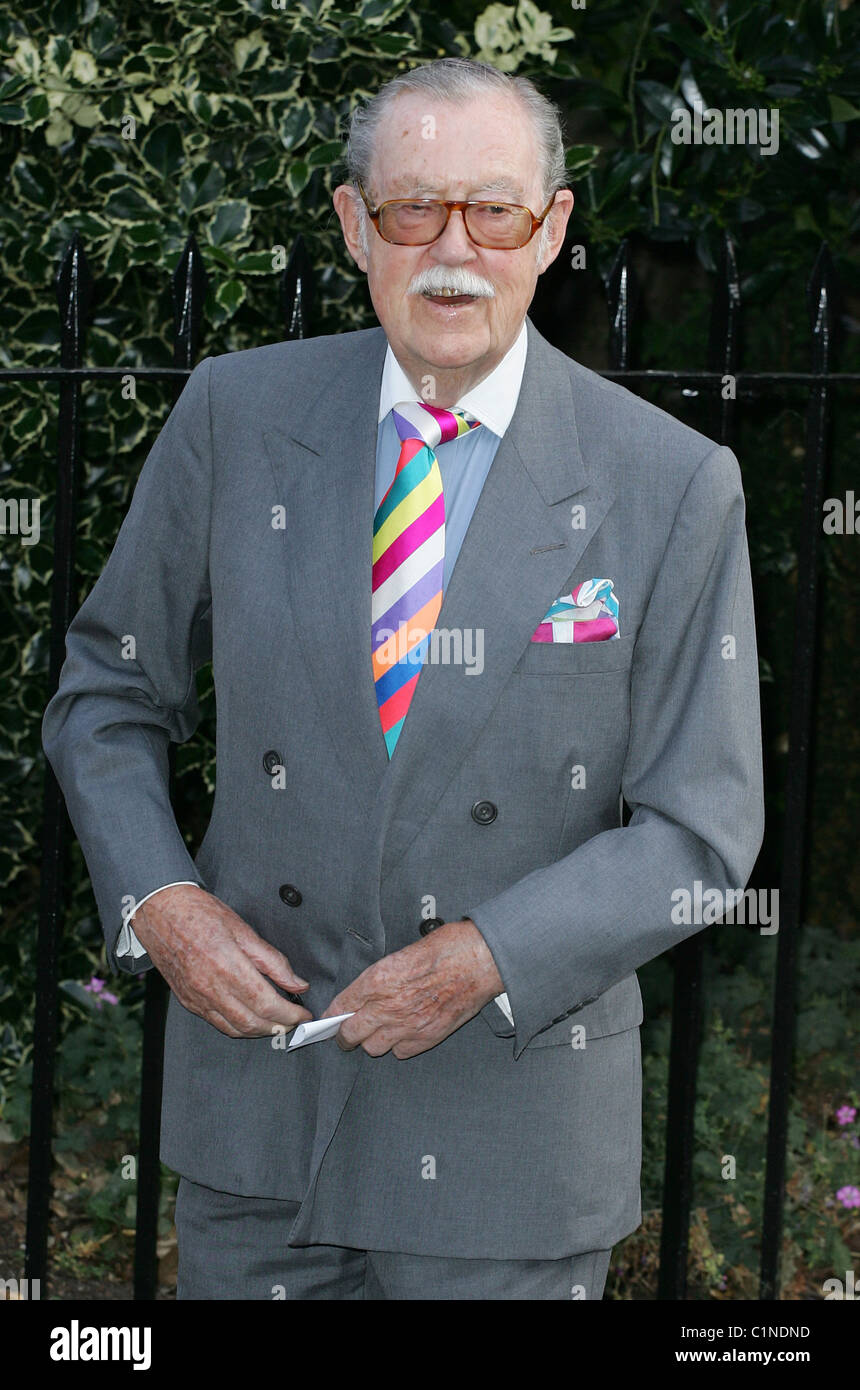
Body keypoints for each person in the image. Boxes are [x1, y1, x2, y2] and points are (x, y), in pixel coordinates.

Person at [41, 57, 764, 1301]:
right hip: (260, 1116)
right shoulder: (236, 414)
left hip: (507, 1137)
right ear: (350, 225)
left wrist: (488, 954)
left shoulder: (670, 481)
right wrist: (159, 899)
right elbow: (106, 691)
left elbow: (701, 835)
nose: (450, 249)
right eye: (410, 208)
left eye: (491, 210)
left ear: (550, 231)